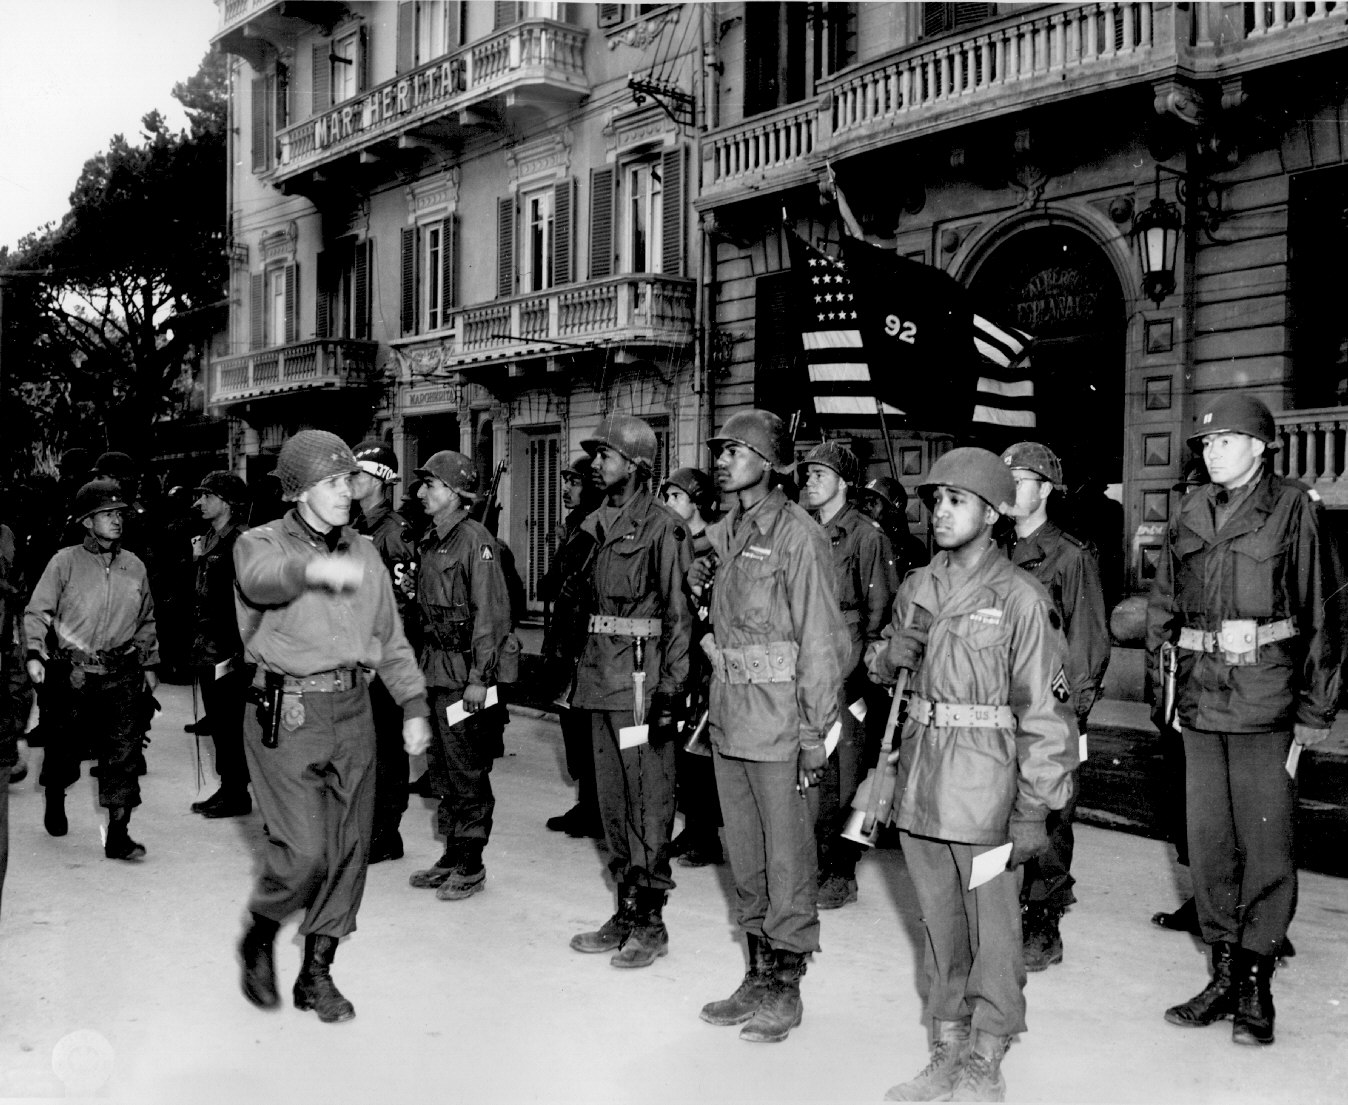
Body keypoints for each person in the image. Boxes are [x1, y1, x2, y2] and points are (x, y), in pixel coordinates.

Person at [867, 447, 1077, 1102]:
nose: (941, 512)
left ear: (991, 513)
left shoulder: (1020, 597)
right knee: (938, 927)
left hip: (987, 793)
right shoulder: (917, 585)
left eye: (956, 500)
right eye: (936, 500)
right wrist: (883, 655)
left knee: (994, 932)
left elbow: (1046, 713)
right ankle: (947, 1047)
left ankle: (987, 1055)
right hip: (924, 784)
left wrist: (1036, 806)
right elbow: (882, 664)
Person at [1146, 393, 1344, 1048]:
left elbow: (1325, 612)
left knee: (1265, 846)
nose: (1212, 450)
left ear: (1260, 446)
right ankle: (1224, 972)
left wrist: (1316, 709)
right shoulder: (1189, 509)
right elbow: (1164, 608)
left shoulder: (1293, 507)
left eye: (1226, 440)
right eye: (1206, 443)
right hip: (1201, 701)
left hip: (1266, 698)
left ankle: (1256, 985)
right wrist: (1163, 693)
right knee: (1207, 844)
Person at [233, 430, 430, 1024]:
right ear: (299, 492)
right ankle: (261, 931)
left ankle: (317, 972)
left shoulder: (366, 551)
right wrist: (317, 566)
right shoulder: (257, 542)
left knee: (349, 850)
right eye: (332, 482)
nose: (348, 491)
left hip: (354, 709)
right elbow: (261, 583)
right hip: (288, 712)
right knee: (304, 852)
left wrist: (414, 705)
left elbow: (388, 637)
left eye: (350, 480)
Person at [692, 409, 845, 1044]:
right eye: (721, 450)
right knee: (746, 857)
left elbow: (819, 642)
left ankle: (786, 981)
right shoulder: (733, 530)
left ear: (770, 461)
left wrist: (815, 734)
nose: (722, 459)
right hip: (731, 719)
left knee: (788, 859)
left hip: (782, 726)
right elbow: (698, 558)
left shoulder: (797, 535)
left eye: (736, 450)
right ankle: (756, 971)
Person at [568, 414, 694, 969]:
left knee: (648, 802)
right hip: (600, 677)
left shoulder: (664, 527)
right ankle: (625, 907)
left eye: (606, 455)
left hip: (642, 683)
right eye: (595, 456)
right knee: (613, 805)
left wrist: (672, 692)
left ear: (637, 465)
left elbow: (680, 614)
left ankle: (651, 919)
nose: (596, 464)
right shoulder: (594, 523)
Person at [1000, 441, 1110, 971]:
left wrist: (1072, 720)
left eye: (1020, 479)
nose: (1009, 489)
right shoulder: (991, 551)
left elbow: (1088, 646)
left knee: (1049, 816)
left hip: (1049, 710)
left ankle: (1043, 922)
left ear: (1045, 490)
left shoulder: (1071, 557)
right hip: (996, 708)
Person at [24, 478, 160, 861]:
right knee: (64, 750)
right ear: (87, 521)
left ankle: (118, 834)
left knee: (123, 754)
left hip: (121, 673)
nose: (117, 520)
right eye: (107, 514)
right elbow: (38, 612)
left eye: (120, 514)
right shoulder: (63, 562)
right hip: (74, 676)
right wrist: (34, 653)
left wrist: (149, 661)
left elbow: (147, 620)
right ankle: (55, 794)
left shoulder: (134, 564)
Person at [406, 450, 512, 902]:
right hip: (435, 667)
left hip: (464, 673)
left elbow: (491, 616)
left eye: (430, 485)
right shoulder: (432, 540)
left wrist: (480, 678)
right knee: (442, 768)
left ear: (454, 492)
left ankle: (472, 858)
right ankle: (453, 851)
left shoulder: (476, 541)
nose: (421, 492)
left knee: (466, 766)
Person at [799, 442, 898, 910]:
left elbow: (880, 612)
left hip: (848, 658)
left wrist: (867, 673)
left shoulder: (865, 536)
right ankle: (814, 860)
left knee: (849, 771)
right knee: (813, 765)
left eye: (821, 473)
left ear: (844, 483)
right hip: (805, 655)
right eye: (808, 473)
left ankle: (842, 870)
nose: (810, 480)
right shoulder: (800, 529)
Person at [350, 439, 420, 863]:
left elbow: (403, 605)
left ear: (379, 481)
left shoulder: (394, 532)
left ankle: (386, 833)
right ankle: (369, 824)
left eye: (358, 474)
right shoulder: (355, 527)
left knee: (386, 746)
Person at [659, 466, 723, 868]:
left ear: (697, 503)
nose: (668, 505)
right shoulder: (670, 539)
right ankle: (693, 828)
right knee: (682, 750)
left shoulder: (712, 545)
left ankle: (706, 836)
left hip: (705, 658)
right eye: (665, 497)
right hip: (677, 653)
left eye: (676, 497)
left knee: (702, 751)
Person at [538, 454, 602, 839]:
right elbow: (550, 585)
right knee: (574, 729)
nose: (565, 488)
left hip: (584, 644)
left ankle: (594, 809)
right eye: (564, 479)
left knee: (586, 729)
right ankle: (586, 804)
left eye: (573, 481)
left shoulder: (591, 529)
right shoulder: (574, 527)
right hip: (566, 640)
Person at [188, 471, 253, 818]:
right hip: (208, 645)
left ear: (226, 502)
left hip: (230, 648)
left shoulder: (242, 541)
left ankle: (237, 793)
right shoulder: (211, 538)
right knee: (218, 721)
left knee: (231, 722)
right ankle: (229, 787)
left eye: (207, 496)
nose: (199, 502)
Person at [857, 475, 929, 578]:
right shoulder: (860, 542)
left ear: (892, 510)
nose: (866, 508)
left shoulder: (915, 549)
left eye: (873, 503)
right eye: (865, 502)